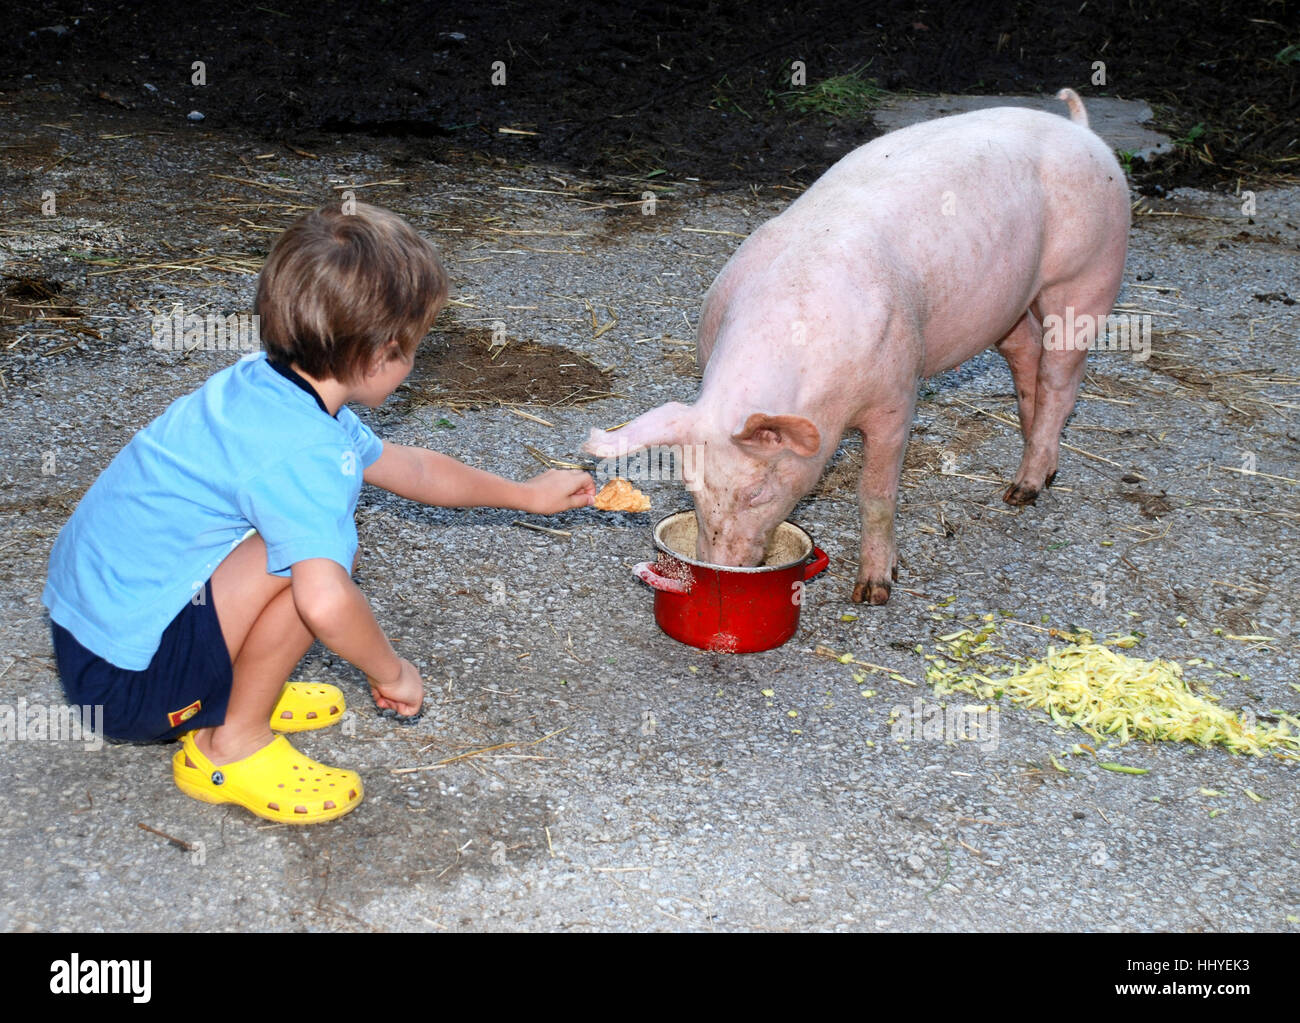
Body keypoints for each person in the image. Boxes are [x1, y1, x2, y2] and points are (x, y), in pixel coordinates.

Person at [42, 201, 595, 823]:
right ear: (379, 355)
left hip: (96, 634)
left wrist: (526, 493)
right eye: (412, 347)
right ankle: (231, 742)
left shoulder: (266, 384)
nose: (413, 363)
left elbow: (409, 468)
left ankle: (239, 687)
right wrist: (391, 672)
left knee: (300, 541)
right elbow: (325, 603)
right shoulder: (306, 451)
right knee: (322, 558)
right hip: (130, 683)